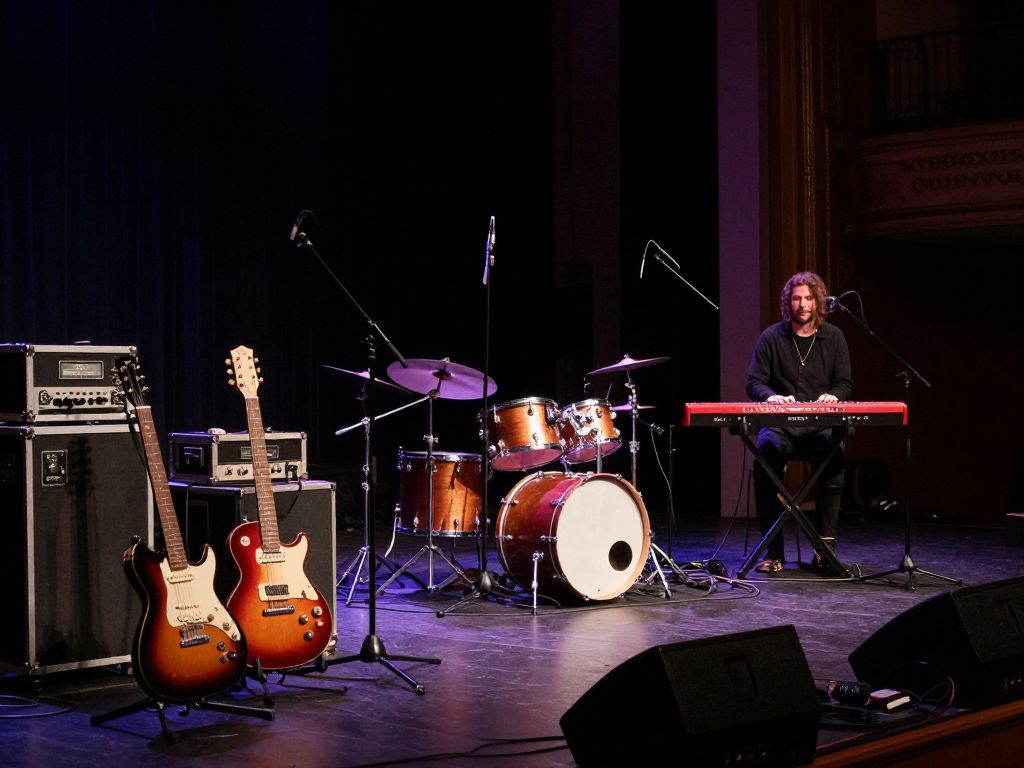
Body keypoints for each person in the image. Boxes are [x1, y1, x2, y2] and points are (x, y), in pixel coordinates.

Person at [746, 271, 852, 574]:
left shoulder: (833, 338)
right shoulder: (771, 338)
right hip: (780, 426)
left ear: (818, 301)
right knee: (765, 458)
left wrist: (833, 396)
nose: (802, 304)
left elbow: (844, 383)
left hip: (820, 426)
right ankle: (774, 551)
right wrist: (771, 398)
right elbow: (754, 382)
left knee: (834, 459)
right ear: (787, 303)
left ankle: (824, 549)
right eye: (796, 298)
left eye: (808, 298)